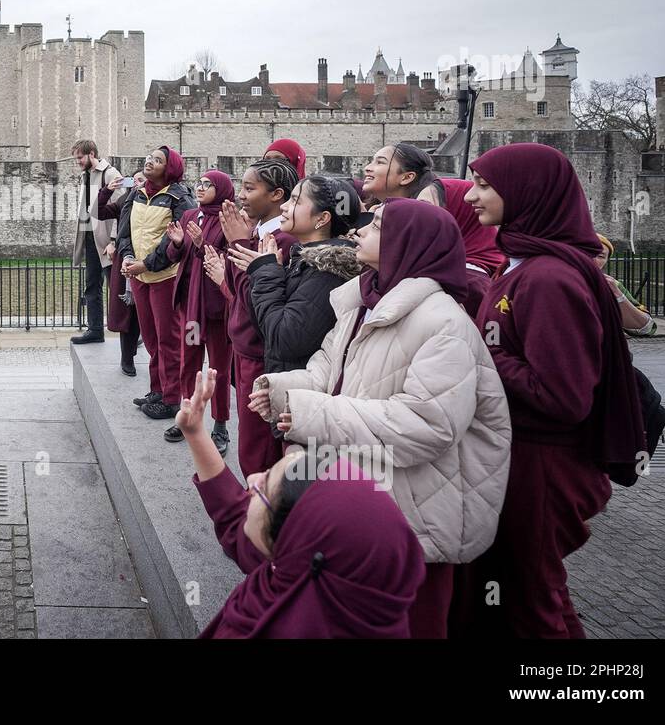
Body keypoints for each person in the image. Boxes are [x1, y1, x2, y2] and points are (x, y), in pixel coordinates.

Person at [252, 200, 511, 638]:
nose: (359, 232)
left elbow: (426, 427)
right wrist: (279, 392)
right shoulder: (362, 302)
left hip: (417, 514)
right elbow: (325, 370)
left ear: (407, 244)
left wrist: (313, 411)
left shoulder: (443, 322)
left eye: (375, 226)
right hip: (369, 502)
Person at [462, 143, 647, 639]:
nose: (473, 198)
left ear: (526, 193)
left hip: (545, 465)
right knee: (534, 588)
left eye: (484, 186)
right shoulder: (524, 263)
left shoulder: (548, 278)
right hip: (522, 458)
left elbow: (565, 396)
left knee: (530, 599)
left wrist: (484, 356)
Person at [179, 369, 426, 639]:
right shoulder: (301, 576)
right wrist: (195, 432)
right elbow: (237, 523)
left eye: (265, 485)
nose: (251, 478)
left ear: (299, 550)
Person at [211, 158, 297, 474]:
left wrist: (236, 242)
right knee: (250, 440)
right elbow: (238, 289)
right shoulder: (258, 233)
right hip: (245, 348)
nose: (241, 195)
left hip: (260, 354)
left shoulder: (282, 242)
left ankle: (260, 510)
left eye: (249, 188)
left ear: (276, 195)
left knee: (258, 448)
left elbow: (256, 302)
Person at [235, 175, 363, 376]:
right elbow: (266, 327)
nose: (284, 207)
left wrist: (267, 273)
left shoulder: (328, 271)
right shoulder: (302, 259)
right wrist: (262, 270)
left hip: (305, 391)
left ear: (322, 218)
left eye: (295, 201)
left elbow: (283, 340)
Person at [119, 146, 196, 421]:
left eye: (157, 160)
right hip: (140, 276)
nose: (149, 161)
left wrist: (148, 263)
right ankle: (157, 390)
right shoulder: (137, 192)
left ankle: (172, 398)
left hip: (164, 277)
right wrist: (128, 256)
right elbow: (124, 228)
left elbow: (179, 236)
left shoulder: (179, 197)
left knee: (168, 340)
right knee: (151, 339)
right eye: (149, 157)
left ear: (170, 168)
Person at [163, 170, 235, 452]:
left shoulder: (230, 220)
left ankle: (220, 425)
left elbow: (227, 260)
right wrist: (179, 242)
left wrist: (200, 244)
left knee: (218, 366)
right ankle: (188, 416)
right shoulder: (191, 216)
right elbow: (173, 255)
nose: (201, 187)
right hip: (191, 303)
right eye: (200, 183)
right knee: (189, 361)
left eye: (208, 184)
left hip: (216, 306)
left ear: (222, 189)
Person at [417, 178, 505, 321]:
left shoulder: (466, 283)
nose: (415, 216)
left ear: (457, 216)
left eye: (425, 208)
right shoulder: (448, 270)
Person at [71, 140, 126, 345]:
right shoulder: (84, 176)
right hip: (89, 238)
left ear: (91, 154)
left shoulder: (110, 174)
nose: (77, 161)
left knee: (117, 289)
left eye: (80, 157)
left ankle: (131, 332)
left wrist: (113, 240)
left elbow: (122, 210)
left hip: (105, 241)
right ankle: (95, 329)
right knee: (92, 286)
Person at [98, 171, 143, 376]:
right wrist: (107, 190)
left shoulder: (161, 201)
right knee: (128, 311)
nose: (139, 183)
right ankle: (127, 358)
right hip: (126, 261)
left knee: (146, 312)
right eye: (135, 180)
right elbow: (97, 211)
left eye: (143, 180)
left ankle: (136, 349)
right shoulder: (125, 200)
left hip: (149, 262)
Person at [594, 234, 658, 337]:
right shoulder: (560, 281)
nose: (593, 259)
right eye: (586, 252)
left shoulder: (613, 285)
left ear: (606, 261)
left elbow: (647, 328)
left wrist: (618, 296)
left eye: (601, 256)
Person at [361, 142, 436, 204]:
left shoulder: (412, 219)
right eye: (372, 162)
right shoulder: (373, 212)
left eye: (380, 162)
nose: (367, 168)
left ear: (407, 177)